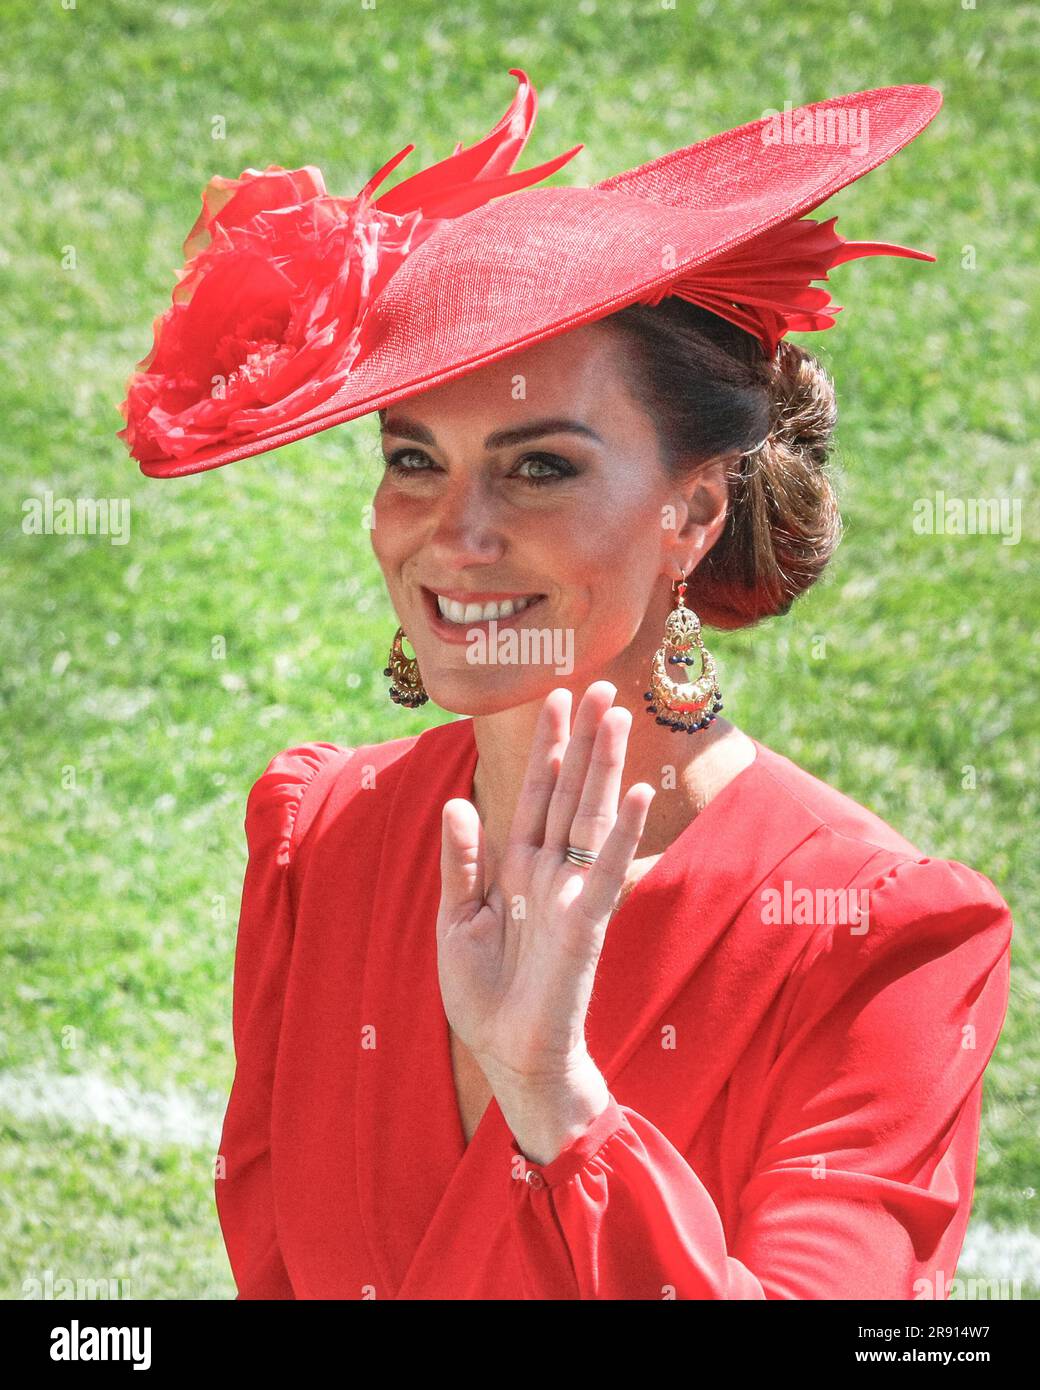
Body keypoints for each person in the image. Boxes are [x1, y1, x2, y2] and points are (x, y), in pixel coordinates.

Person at [118, 72, 1013, 1299]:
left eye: (538, 467)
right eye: (413, 459)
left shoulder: (880, 937)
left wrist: (556, 1097)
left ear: (692, 511)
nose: (455, 536)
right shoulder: (317, 843)